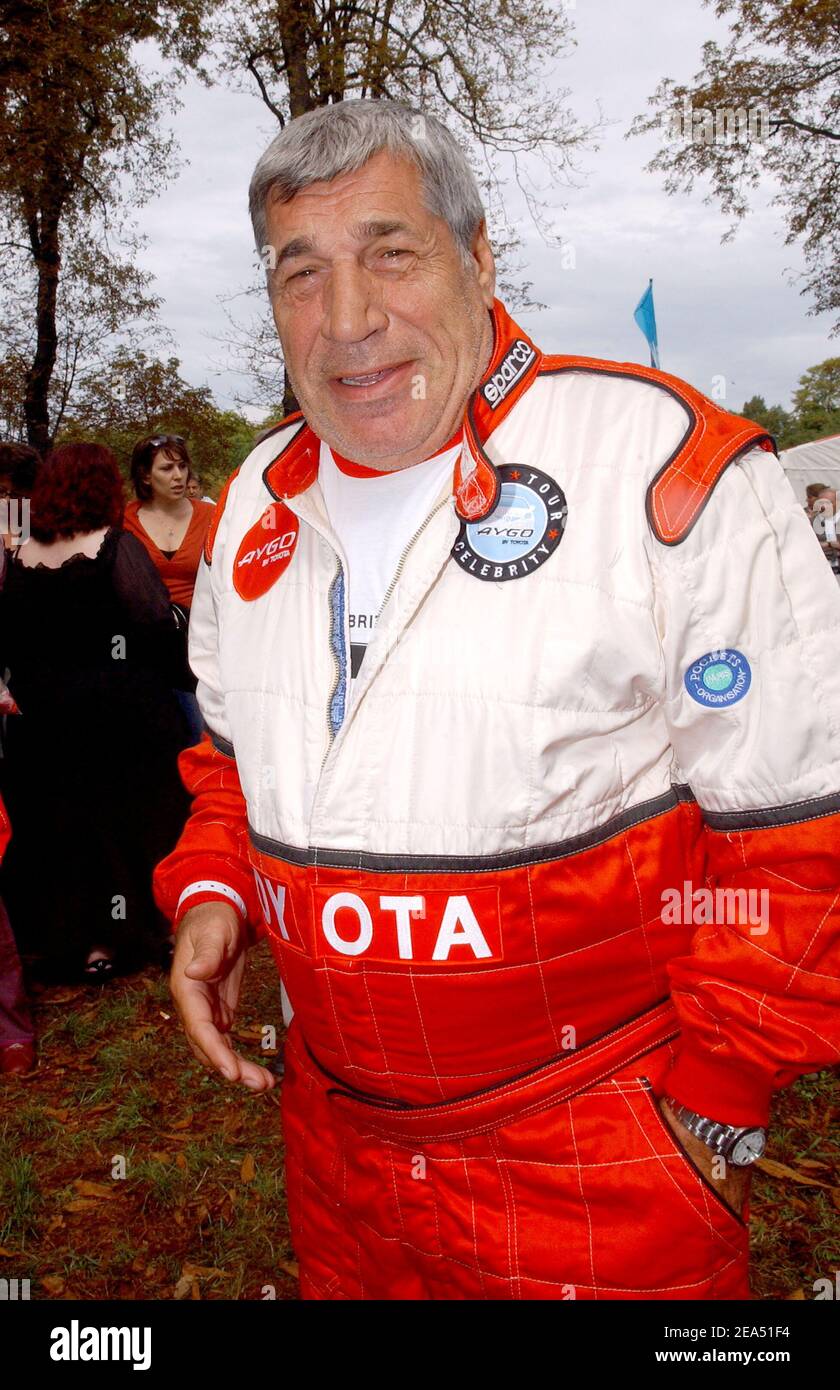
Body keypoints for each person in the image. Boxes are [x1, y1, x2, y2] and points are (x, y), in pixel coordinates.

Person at [155, 101, 840, 1301]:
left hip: (602, 1156)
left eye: (391, 253)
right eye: (300, 273)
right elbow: (228, 756)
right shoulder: (253, 495)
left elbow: (808, 840)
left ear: (478, 257)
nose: (349, 319)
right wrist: (214, 890)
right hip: (335, 1146)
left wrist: (721, 1104)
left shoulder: (664, 466)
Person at [0, 444, 192, 980]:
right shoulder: (113, 546)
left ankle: (91, 945)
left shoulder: (21, 556)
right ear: (102, 487)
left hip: (46, 720)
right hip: (121, 714)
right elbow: (153, 623)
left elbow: (11, 638)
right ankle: (162, 929)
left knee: (67, 830)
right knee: (145, 818)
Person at [123, 435, 215, 744]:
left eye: (182, 466)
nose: (178, 476)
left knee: (203, 732)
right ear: (145, 476)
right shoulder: (125, 520)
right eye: (166, 469)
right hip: (145, 646)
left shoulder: (211, 516)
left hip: (202, 641)